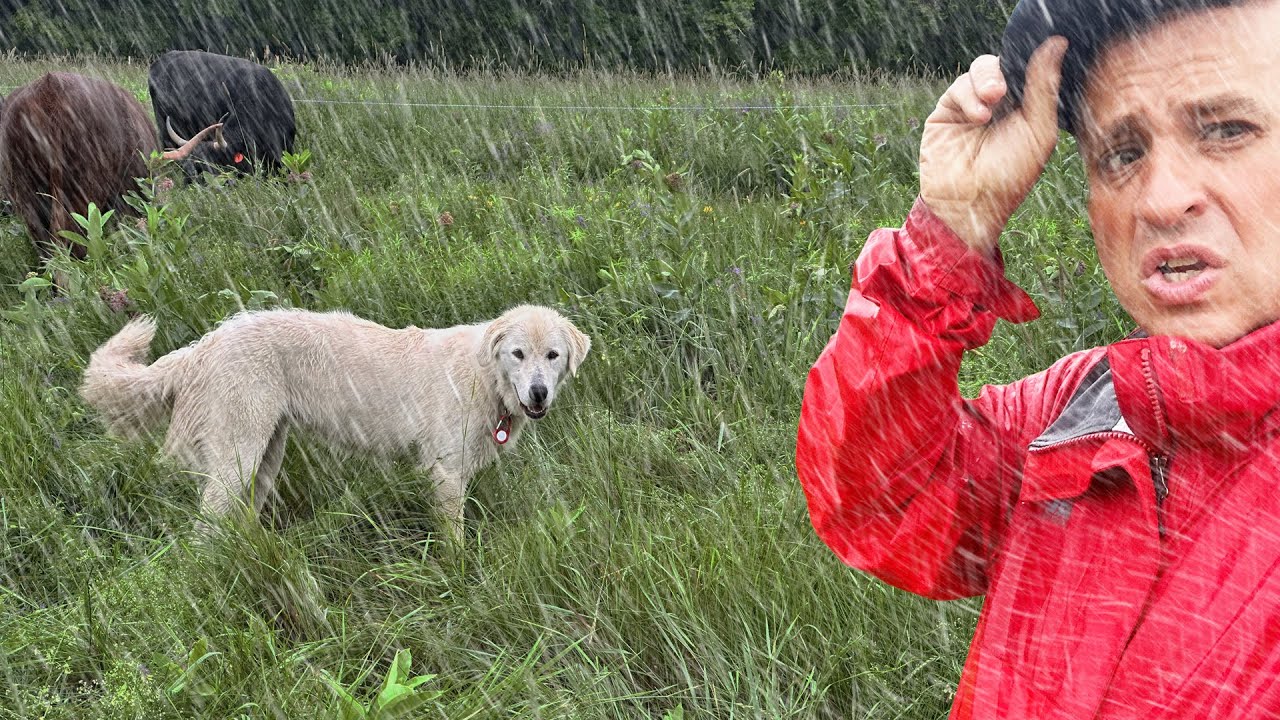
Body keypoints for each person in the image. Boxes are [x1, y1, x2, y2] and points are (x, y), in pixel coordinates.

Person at [795, 0, 1280, 716]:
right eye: (1122, 153)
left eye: (1227, 130)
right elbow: (884, 500)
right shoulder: (1087, 409)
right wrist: (947, 236)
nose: (1160, 199)